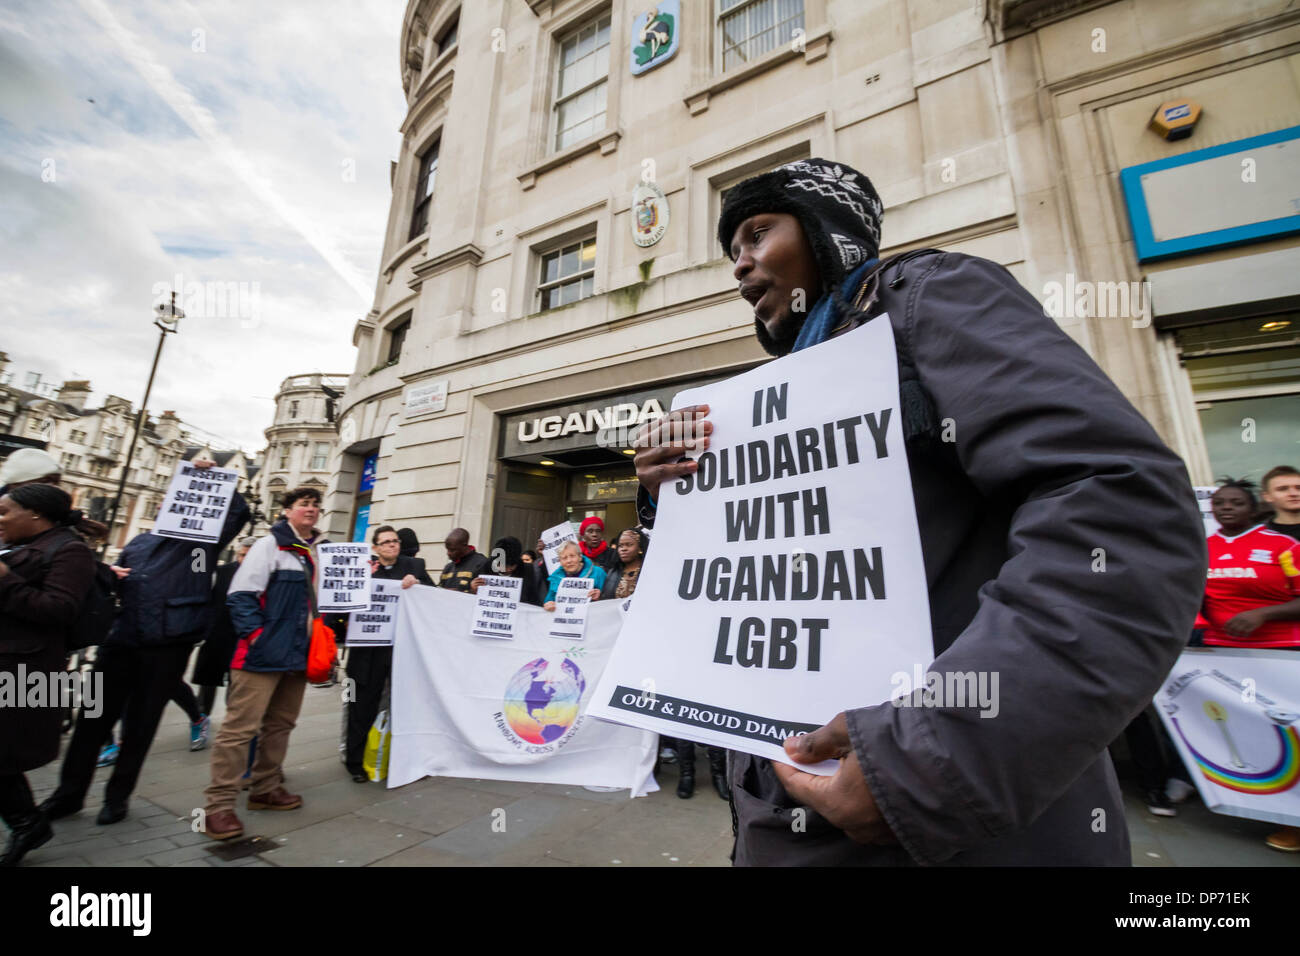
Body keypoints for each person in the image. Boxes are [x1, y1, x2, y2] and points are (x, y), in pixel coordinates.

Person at [632, 157, 1206, 865]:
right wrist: (678, 499)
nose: (741, 266)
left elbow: (1122, 508)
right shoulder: (774, 393)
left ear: (827, 232)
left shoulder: (930, 299)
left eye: (756, 234)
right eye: (732, 252)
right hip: (787, 813)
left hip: (950, 825)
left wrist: (940, 759)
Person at [41, 459, 249, 825]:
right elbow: (112, 585)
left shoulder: (201, 545)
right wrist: (113, 577)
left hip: (168, 644)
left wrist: (213, 479)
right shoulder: (138, 542)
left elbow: (237, 512)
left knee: (140, 725)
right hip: (120, 640)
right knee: (92, 720)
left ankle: (117, 797)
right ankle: (68, 795)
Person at [201, 487, 333, 841]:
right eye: (304, 504)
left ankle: (265, 789)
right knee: (240, 729)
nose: (312, 509)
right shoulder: (269, 545)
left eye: (316, 505)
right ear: (286, 511)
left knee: (281, 725)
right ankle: (218, 806)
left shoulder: (318, 551)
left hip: (297, 654)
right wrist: (259, 637)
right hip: (261, 656)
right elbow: (241, 596)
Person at [1201, 478, 1300, 852]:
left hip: (1281, 654)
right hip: (1220, 656)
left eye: (1236, 502)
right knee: (1249, 736)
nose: (1226, 508)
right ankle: (1276, 813)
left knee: (1289, 734)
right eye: (1220, 503)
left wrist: (1264, 614)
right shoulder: (1203, 548)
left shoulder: (1283, 546)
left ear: (1254, 508)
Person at [0, 485, 96, 866]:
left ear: (35, 515)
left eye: (5, 511)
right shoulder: (13, 546)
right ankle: (28, 823)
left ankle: (27, 823)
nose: (0, 518)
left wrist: (4, 579)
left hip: (26, 673)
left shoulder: (69, 550)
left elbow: (59, 609)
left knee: (4, 756)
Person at [344, 525, 433, 783]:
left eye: (395, 541)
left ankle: (407, 760)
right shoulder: (363, 567)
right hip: (367, 654)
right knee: (361, 707)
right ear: (375, 547)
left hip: (402, 651)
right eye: (385, 542)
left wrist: (416, 585)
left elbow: (432, 595)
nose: (392, 545)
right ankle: (355, 762)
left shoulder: (413, 566)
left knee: (407, 706)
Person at [191, 536, 257, 717]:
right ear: (237, 554)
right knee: (208, 684)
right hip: (217, 635)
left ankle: (232, 719)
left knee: (237, 685)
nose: (245, 560)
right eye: (242, 555)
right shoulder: (221, 573)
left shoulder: (261, 578)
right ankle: (201, 718)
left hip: (242, 637)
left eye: (249, 556)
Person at [470, 535, 545, 606]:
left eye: (511, 566)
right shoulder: (484, 567)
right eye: (503, 565)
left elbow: (534, 600)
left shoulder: (528, 570)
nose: (508, 569)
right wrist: (473, 589)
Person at [543, 539, 604, 610]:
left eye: (572, 556)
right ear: (560, 561)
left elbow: (610, 598)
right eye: (564, 558)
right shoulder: (555, 578)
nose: (569, 561)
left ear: (580, 557)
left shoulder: (598, 572)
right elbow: (548, 601)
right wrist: (549, 604)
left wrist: (600, 595)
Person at [438, 527, 491, 592]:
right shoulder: (448, 568)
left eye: (453, 550)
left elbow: (487, 593)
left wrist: (472, 591)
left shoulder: (482, 563)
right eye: (447, 549)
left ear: (464, 545)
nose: (448, 553)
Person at [1262, 465, 1300, 537]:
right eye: (1282, 489)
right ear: (1267, 496)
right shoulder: (1259, 535)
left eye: (1299, 488)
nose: (1293, 493)